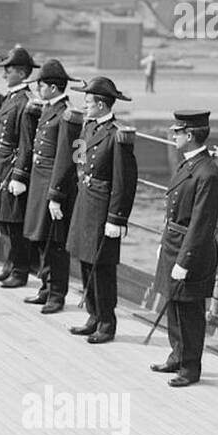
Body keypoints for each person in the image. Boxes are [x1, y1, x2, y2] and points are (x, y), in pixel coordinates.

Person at [152, 110, 218, 387]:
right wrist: (164, 244)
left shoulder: (207, 173)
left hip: (191, 249)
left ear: (190, 135)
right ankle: (177, 356)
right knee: (173, 302)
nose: (173, 136)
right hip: (173, 242)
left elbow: (201, 224)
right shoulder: (188, 165)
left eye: (177, 132)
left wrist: (185, 260)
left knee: (190, 310)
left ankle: (191, 367)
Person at [65, 76, 138, 343]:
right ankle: (93, 315)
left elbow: (124, 181)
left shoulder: (117, 136)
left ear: (102, 105)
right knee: (85, 262)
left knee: (102, 267)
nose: (84, 107)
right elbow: (78, 161)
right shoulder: (88, 128)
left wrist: (116, 218)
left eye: (88, 102)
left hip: (102, 209)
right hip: (85, 201)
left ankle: (107, 322)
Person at [20, 59, 83, 314]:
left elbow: (65, 158)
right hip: (40, 183)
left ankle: (57, 295)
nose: (38, 90)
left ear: (54, 88)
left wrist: (55, 194)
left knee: (56, 244)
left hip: (55, 187)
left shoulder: (66, 116)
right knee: (42, 239)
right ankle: (45, 288)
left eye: (41, 85)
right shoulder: (48, 110)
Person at [0, 46, 39, 285]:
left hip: (13, 169)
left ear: (23, 74)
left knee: (15, 224)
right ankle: (9, 265)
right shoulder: (12, 98)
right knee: (5, 221)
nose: (4, 75)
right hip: (2, 164)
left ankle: (20, 271)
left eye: (10, 70)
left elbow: (26, 144)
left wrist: (19, 176)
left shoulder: (25, 102)